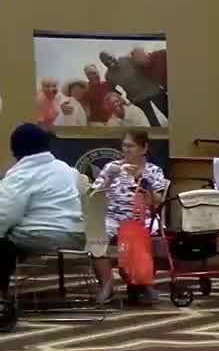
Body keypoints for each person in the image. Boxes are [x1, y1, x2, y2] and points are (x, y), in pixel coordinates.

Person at [0, 124, 87, 332]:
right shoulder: (66, 169)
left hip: (40, 236)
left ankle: (2, 300)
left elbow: (5, 213)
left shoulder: (21, 175)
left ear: (17, 150)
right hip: (75, 236)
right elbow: (84, 187)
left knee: (2, 246)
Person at [89, 129, 168, 304]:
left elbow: (157, 201)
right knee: (95, 237)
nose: (126, 150)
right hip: (112, 217)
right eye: (124, 145)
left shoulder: (153, 171)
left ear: (144, 148)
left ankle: (141, 285)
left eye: (130, 146)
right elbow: (94, 194)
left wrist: (142, 180)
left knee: (142, 236)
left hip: (141, 218)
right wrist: (110, 177)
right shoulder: (112, 167)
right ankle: (107, 285)